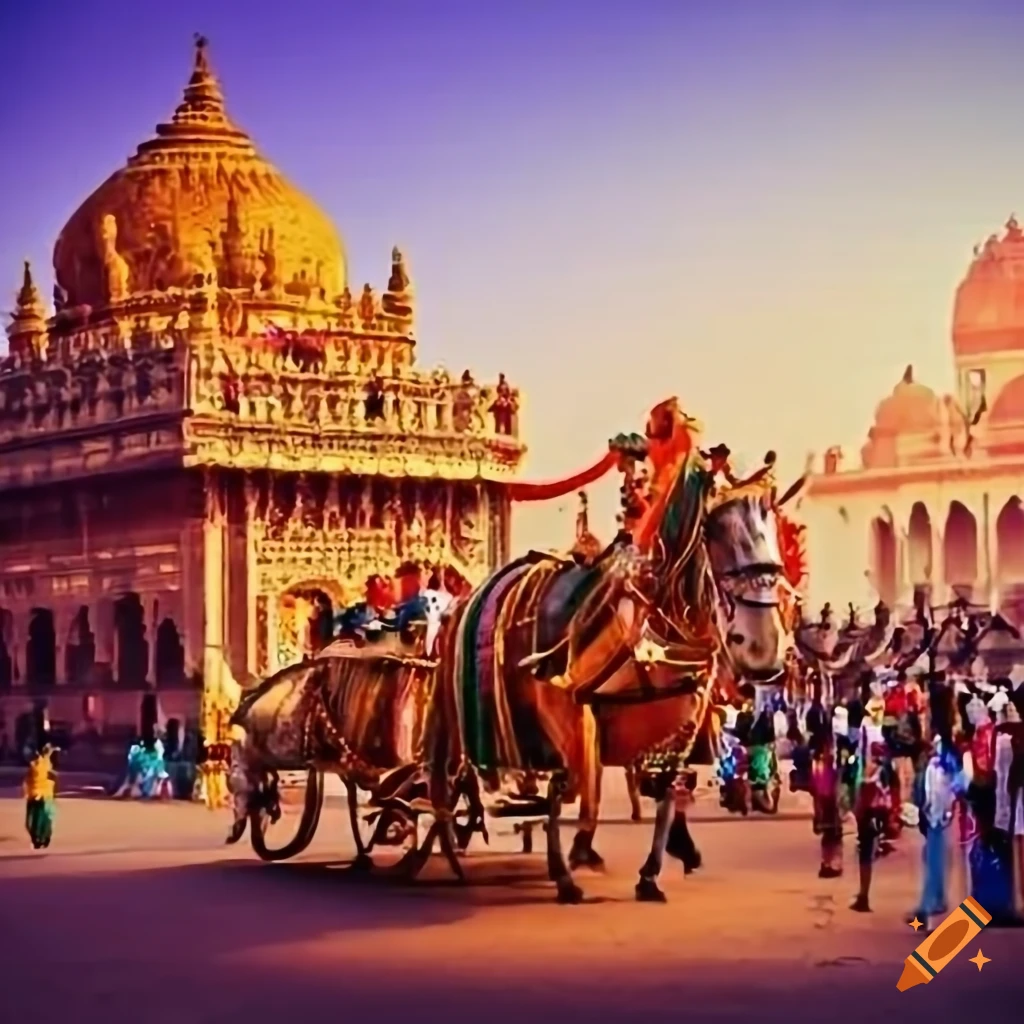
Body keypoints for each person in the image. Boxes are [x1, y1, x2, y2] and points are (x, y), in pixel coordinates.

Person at [910, 735, 967, 930]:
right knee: (936, 861)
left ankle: (927, 909)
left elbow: (936, 795)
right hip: (940, 819)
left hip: (940, 819)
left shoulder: (940, 767)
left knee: (935, 863)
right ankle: (936, 902)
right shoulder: (940, 766)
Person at [24, 743, 57, 849]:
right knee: (42, 819)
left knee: (38, 820)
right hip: (40, 796)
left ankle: (40, 839)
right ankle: (41, 839)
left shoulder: (40, 765)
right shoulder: (41, 765)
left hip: (40, 796)